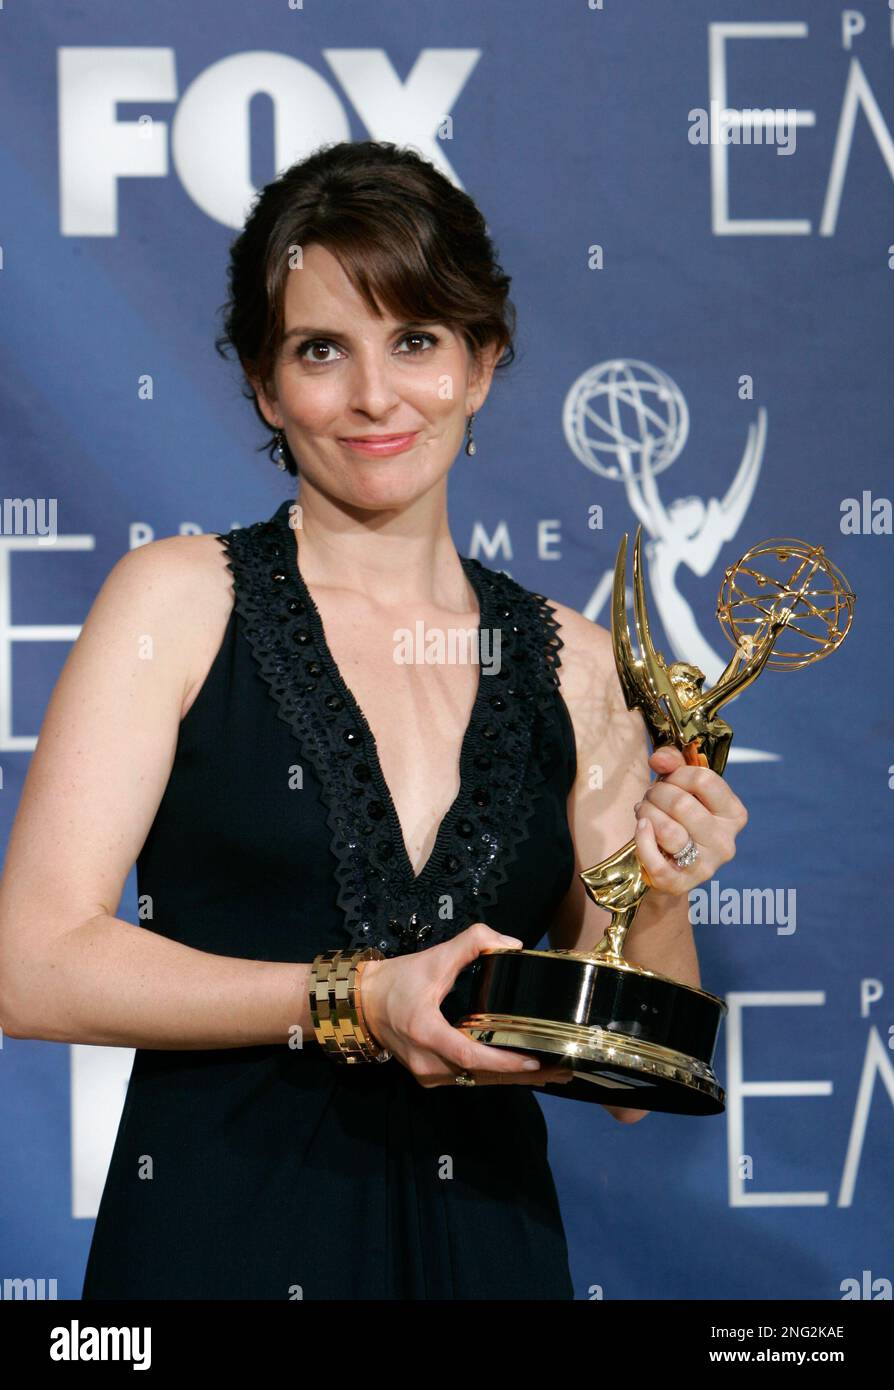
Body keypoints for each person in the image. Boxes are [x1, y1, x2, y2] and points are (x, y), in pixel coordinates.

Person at [0, 141, 749, 1300]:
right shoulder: (177, 602)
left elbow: (629, 1083)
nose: (374, 396)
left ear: (482, 363)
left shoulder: (584, 669)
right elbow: (30, 965)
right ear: (264, 383)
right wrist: (352, 999)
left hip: (484, 1255)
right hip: (216, 1244)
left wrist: (658, 891)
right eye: (319, 350)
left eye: (415, 341)